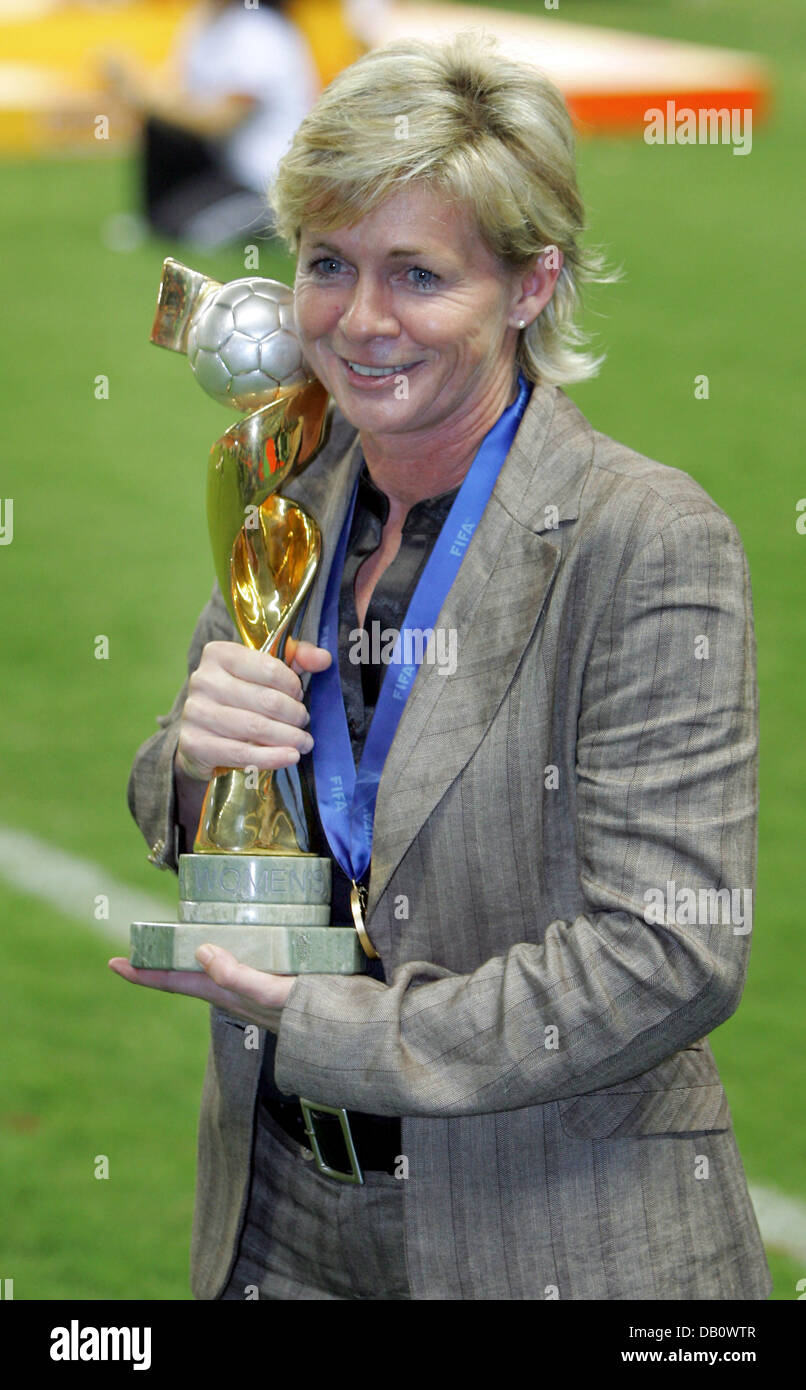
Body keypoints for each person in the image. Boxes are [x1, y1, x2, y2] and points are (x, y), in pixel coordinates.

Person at [112, 33, 773, 1300]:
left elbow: (666, 954)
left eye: (417, 275)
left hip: (549, 1234)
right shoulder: (290, 488)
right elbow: (196, 800)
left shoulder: (643, 537)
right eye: (327, 265)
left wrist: (326, 1028)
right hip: (274, 1218)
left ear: (529, 285)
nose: (358, 323)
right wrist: (193, 770)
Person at [99, 0, 319, 248]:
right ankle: (157, 217)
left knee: (191, 232)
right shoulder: (201, 22)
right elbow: (174, 94)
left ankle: (270, 215)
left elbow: (222, 120)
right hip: (223, 165)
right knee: (160, 130)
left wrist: (141, 93)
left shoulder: (260, 32)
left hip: (262, 175)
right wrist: (132, 83)